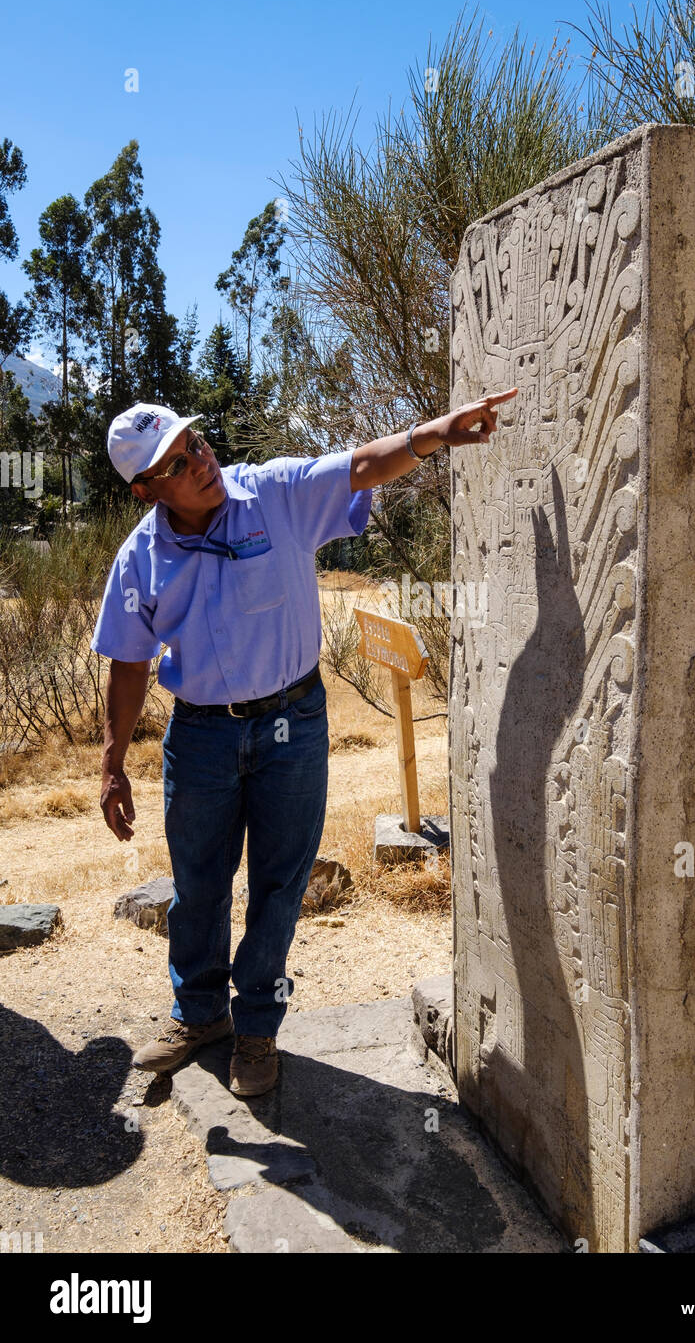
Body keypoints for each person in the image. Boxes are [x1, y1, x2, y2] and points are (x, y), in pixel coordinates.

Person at [92, 390, 516, 1096]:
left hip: (293, 724)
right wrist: (111, 763)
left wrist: (434, 434)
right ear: (146, 489)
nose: (201, 460)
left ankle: (256, 1028)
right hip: (199, 736)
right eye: (176, 462)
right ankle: (199, 1014)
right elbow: (129, 662)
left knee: (281, 884)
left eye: (195, 443)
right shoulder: (141, 560)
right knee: (197, 886)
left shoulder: (272, 494)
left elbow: (357, 468)